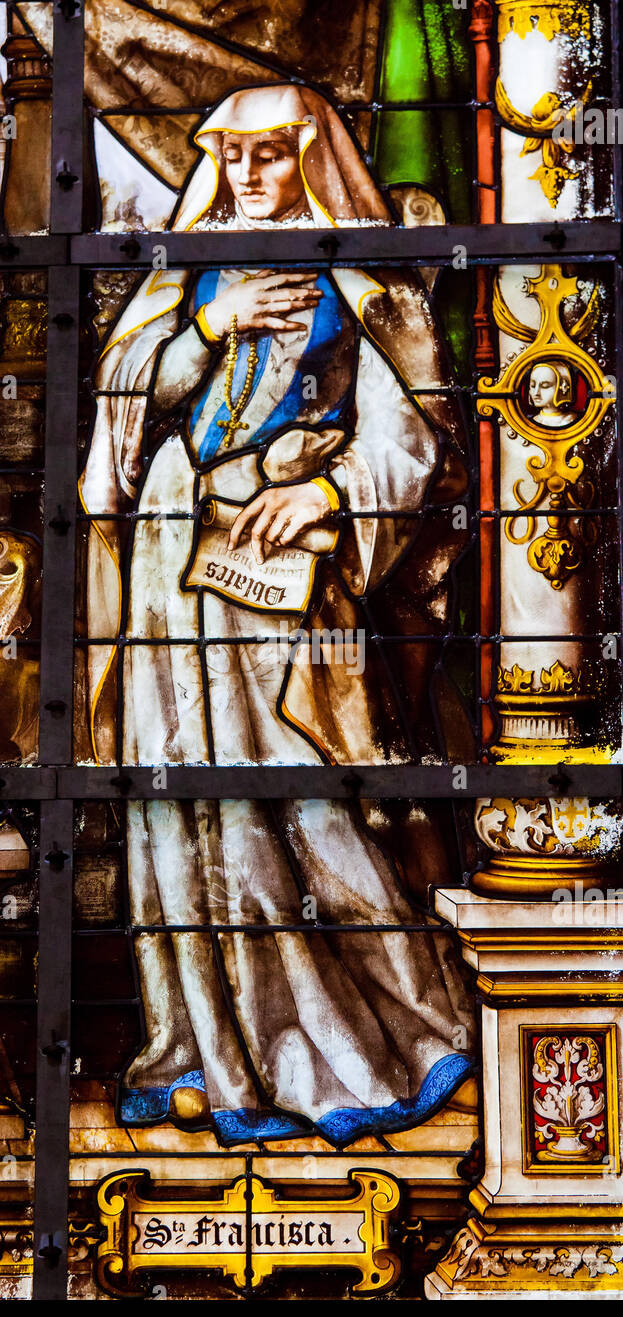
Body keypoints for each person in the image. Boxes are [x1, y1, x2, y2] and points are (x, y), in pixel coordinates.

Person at [79, 84, 476, 1144]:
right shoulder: (191, 267)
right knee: (185, 806)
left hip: (290, 569)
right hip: (176, 566)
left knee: (312, 803)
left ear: (307, 158)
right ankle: (212, 1047)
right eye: (235, 158)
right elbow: (132, 401)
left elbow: (409, 435)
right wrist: (212, 319)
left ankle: (372, 1034)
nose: (251, 177)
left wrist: (328, 491)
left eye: (269, 157)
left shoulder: (359, 277)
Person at [528, 360, 579, 427]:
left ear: (562, 387)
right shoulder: (534, 420)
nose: (536, 393)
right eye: (533, 386)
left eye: (545, 386)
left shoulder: (570, 420)